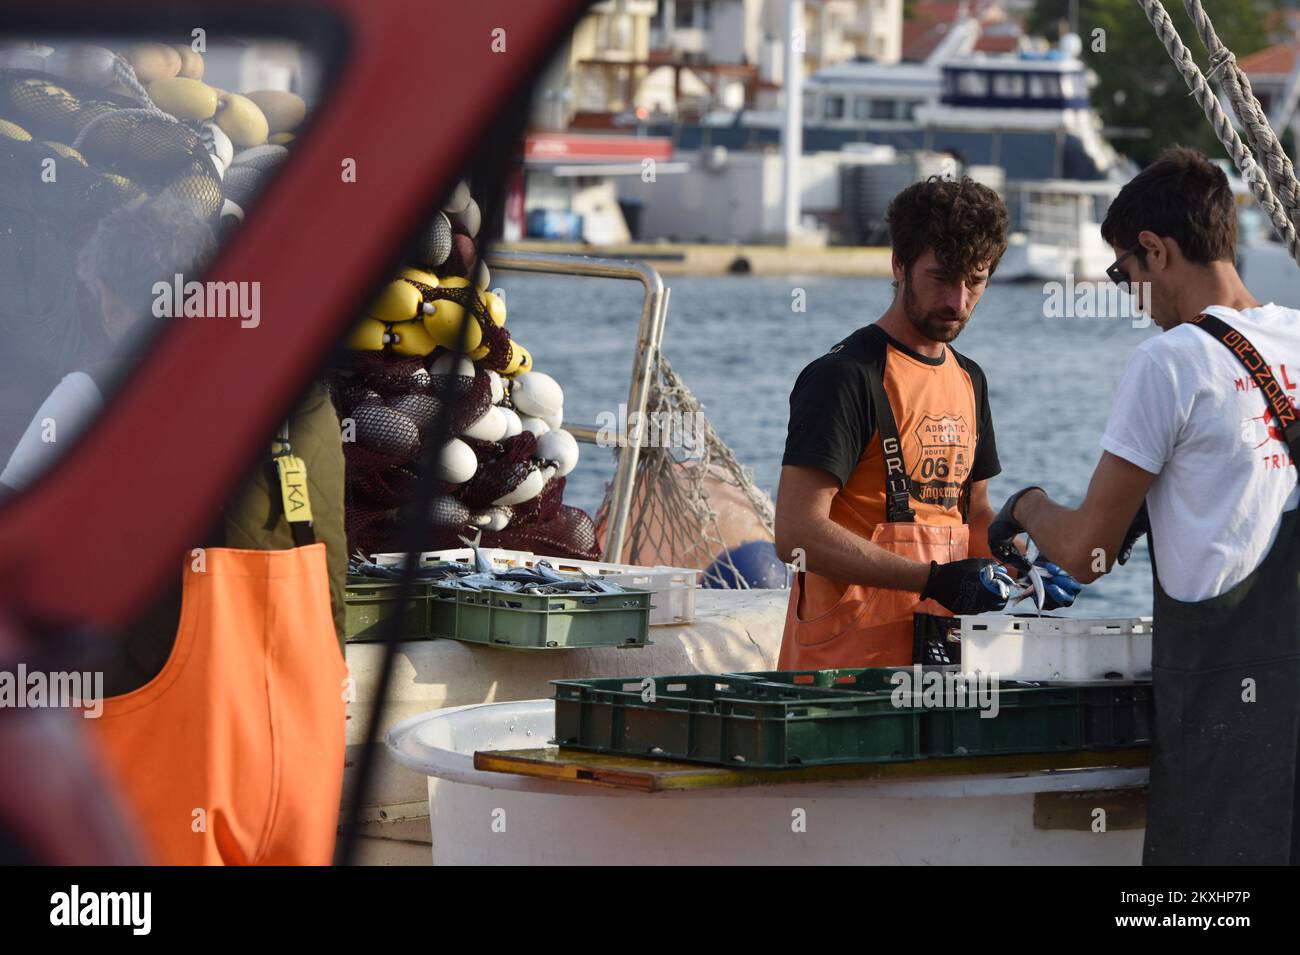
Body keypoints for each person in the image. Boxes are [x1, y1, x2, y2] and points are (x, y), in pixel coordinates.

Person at [3, 197, 350, 864]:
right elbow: (331, 558)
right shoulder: (306, 398)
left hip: (177, 735)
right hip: (300, 738)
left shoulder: (98, 393)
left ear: (107, 295)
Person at [989, 146, 1300, 865]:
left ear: (1155, 252)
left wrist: (1027, 507)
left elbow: (1085, 555)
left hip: (1227, 707)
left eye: (1122, 273)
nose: (1129, 296)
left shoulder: (1172, 361)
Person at [774, 176, 1080, 670]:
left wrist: (1023, 567)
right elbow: (795, 536)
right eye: (941, 278)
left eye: (975, 282)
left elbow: (975, 516)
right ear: (899, 265)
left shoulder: (968, 379)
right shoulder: (844, 378)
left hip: (939, 662)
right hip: (841, 675)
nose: (957, 302)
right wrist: (934, 580)